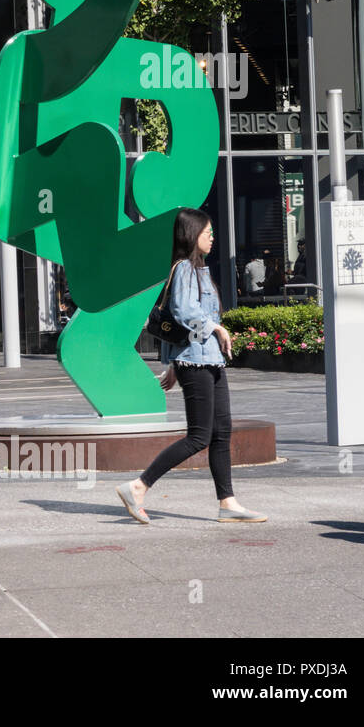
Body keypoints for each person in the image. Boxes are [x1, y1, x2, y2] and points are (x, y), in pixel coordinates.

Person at [115, 208, 267, 524]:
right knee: (199, 436)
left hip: (209, 361)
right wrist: (217, 328)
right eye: (207, 232)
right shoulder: (183, 268)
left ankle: (228, 503)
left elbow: (179, 327)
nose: (212, 236)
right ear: (191, 234)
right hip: (196, 364)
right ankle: (138, 486)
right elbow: (184, 313)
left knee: (221, 432)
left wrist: (172, 363)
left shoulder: (198, 270)